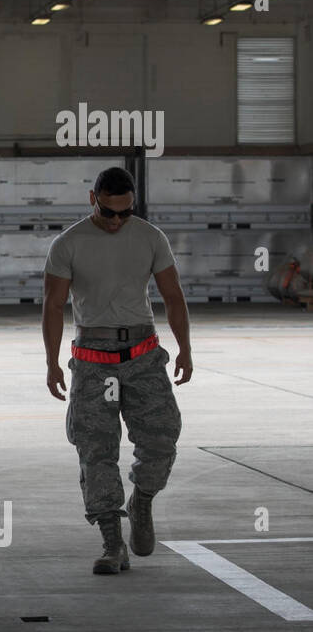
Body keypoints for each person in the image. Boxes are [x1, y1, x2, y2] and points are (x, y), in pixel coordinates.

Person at [42, 165, 192, 575]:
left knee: (162, 438)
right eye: (109, 212)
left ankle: (141, 498)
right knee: (95, 451)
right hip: (92, 359)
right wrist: (52, 362)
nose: (116, 221)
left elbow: (173, 297)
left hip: (143, 354)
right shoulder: (68, 243)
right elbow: (53, 306)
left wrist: (185, 349)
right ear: (93, 199)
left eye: (125, 213)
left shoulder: (149, 237)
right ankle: (112, 543)